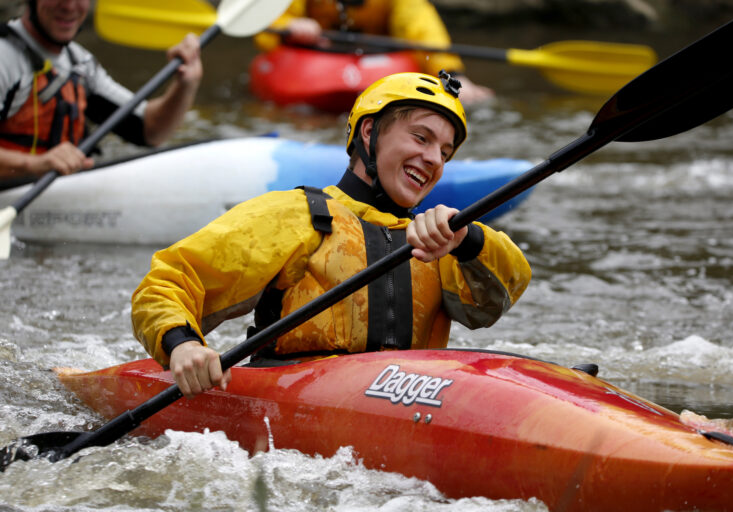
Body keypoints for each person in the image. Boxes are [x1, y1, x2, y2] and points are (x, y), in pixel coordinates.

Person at [132, 71, 530, 398]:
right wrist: (182, 344)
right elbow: (166, 283)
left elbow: (503, 293)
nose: (432, 159)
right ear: (370, 132)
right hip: (295, 403)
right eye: (421, 138)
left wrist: (468, 240)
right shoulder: (297, 216)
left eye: (444, 152)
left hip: (405, 406)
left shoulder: (439, 243)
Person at [0, 0, 202, 190]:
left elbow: (150, 130)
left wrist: (185, 84)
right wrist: (33, 164)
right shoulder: (4, 58)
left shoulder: (79, 63)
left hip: (54, 196)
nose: (70, 6)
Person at [255, 0, 493, 105]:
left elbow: (423, 29)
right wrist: (289, 26)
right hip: (311, 60)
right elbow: (268, 27)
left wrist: (452, 75)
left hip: (378, 60)